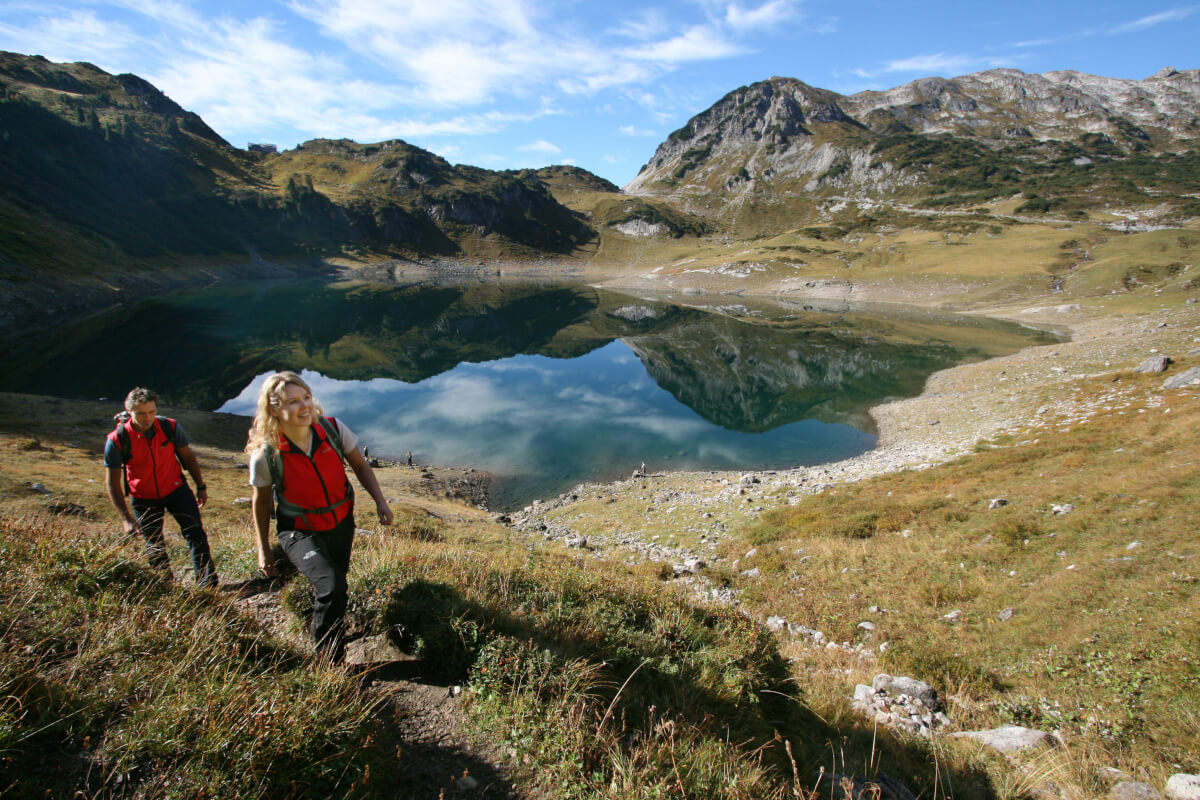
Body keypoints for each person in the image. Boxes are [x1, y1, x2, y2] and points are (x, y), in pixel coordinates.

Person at [245, 371, 393, 662]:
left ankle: (333, 634)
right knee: (331, 585)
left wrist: (381, 502)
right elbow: (261, 504)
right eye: (292, 402)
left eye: (307, 398)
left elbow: (361, 467)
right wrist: (264, 549)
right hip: (298, 529)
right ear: (274, 409)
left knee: (338, 584)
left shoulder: (333, 430)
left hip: (340, 522)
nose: (304, 406)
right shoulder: (266, 455)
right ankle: (328, 662)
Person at [104, 387, 218, 587]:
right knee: (154, 544)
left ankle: (207, 584)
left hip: (176, 490)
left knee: (195, 533)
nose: (147, 418)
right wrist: (125, 518)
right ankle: (165, 587)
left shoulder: (169, 427)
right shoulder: (117, 440)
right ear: (129, 411)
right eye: (141, 413)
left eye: (151, 412)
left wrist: (201, 486)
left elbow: (188, 457)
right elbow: (112, 482)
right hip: (143, 497)